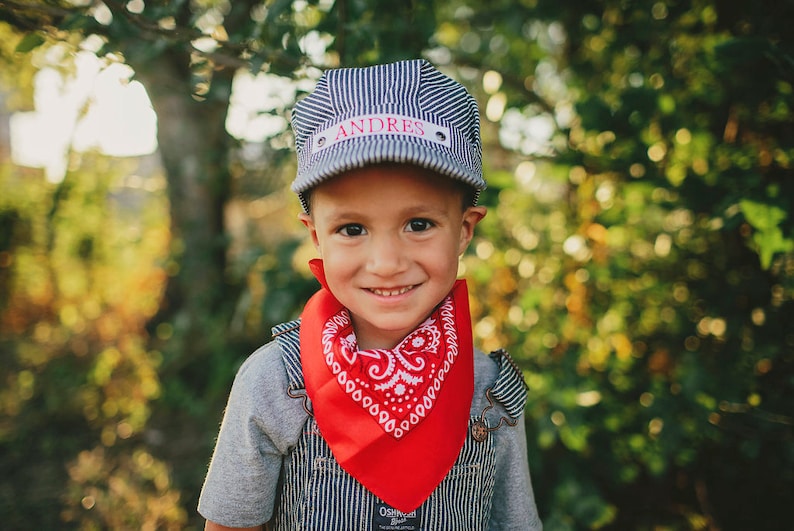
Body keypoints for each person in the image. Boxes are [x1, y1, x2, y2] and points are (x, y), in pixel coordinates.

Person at [198, 59, 542, 530]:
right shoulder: (274, 383)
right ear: (316, 236)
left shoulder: (489, 392)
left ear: (464, 230)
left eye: (418, 224)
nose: (386, 262)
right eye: (352, 229)